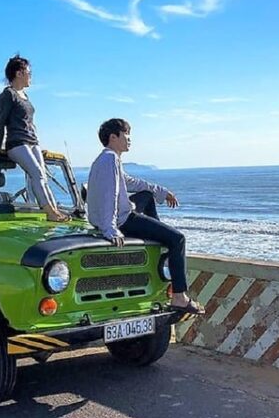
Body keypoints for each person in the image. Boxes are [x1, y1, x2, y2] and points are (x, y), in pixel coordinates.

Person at [87, 118, 205, 314]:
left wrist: (162, 192)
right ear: (113, 137)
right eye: (126, 135)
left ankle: (157, 243)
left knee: (147, 196)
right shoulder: (109, 159)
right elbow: (110, 194)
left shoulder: (106, 159)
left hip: (116, 216)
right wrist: (110, 229)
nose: (130, 139)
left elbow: (131, 183)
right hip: (121, 221)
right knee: (178, 239)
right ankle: (179, 297)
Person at [0, 54, 68, 222]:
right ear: (19, 73)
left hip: (32, 141)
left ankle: (55, 210)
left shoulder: (24, 95)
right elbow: (1, 119)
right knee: (37, 174)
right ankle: (50, 213)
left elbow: (29, 121)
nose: (30, 77)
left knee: (43, 177)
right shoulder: (8, 94)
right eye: (28, 73)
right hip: (17, 142)